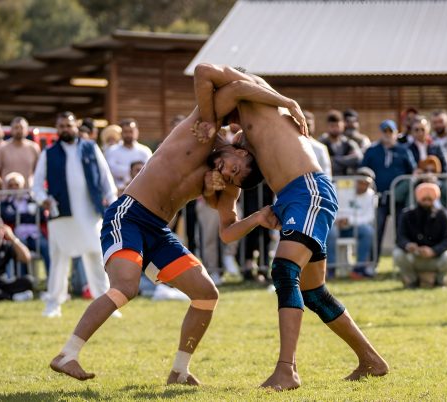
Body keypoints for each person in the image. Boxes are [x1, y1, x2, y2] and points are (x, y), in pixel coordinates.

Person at [48, 67, 306, 385]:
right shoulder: (204, 127)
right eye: (233, 168)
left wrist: (257, 219)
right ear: (238, 150)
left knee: (206, 294)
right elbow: (214, 76)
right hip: (127, 216)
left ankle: (179, 372)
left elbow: (227, 232)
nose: (227, 174)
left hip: (157, 230)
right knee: (126, 287)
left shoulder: (228, 186)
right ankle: (67, 354)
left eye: (233, 178)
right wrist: (287, 102)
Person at [199, 64, 388, 390]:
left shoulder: (256, 101)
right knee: (313, 292)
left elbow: (219, 76)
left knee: (284, 270)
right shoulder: (241, 139)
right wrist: (257, 217)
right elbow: (227, 232)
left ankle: (287, 370)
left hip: (308, 190)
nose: (223, 116)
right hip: (290, 199)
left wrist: (288, 102)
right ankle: (371, 360)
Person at [33, 111, 117, 318]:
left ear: (75, 126)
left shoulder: (90, 148)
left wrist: (112, 203)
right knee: (59, 258)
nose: (65, 130)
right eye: (61, 126)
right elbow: (36, 187)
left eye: (68, 126)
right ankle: (54, 304)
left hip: (90, 214)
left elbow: (106, 178)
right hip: (61, 213)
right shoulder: (48, 153)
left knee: (96, 256)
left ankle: (105, 304)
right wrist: (42, 199)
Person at [362, 119, 416, 270]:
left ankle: (401, 264)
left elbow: (413, 172)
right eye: (384, 131)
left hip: (399, 199)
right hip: (379, 198)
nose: (387, 135)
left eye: (390, 131)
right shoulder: (372, 150)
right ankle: (372, 264)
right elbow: (363, 170)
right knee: (377, 230)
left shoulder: (404, 150)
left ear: (395, 133)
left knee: (401, 229)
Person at [393, 183, 447, 288]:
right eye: (424, 199)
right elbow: (400, 238)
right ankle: (412, 281)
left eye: (430, 199)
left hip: (436, 258)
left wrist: (433, 251)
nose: (427, 202)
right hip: (414, 257)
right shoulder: (407, 215)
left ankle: (439, 282)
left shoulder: (442, 215)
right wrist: (408, 245)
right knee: (398, 254)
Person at [326, 167, 376, 278]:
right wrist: (337, 220)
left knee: (368, 231)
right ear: (354, 180)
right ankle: (330, 269)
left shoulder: (371, 195)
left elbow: (369, 217)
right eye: (360, 182)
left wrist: (350, 221)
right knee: (330, 233)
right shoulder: (340, 188)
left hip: (354, 227)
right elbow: (329, 207)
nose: (363, 186)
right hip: (335, 225)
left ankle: (359, 268)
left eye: (366, 183)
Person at [0, 172, 49, 274]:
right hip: (19, 236)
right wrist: (28, 216)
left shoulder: (32, 200)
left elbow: (41, 216)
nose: (14, 188)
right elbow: (8, 217)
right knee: (19, 250)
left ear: (22, 186)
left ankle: (52, 283)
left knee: (46, 247)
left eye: (16, 185)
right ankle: (23, 283)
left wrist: (19, 216)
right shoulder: (5, 204)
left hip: (36, 235)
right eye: (11, 186)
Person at [0, 116, 40, 189]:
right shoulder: (2, 148)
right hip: (7, 196)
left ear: (27, 130)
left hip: (28, 194)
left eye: (21, 127)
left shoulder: (34, 148)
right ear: (11, 130)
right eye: (16, 127)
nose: (19, 130)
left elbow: (39, 173)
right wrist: (2, 190)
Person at [105, 118, 153, 193]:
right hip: (117, 193)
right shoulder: (112, 151)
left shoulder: (145, 151)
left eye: (131, 131)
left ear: (137, 132)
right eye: (125, 132)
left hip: (141, 193)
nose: (128, 134)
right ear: (121, 133)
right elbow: (110, 171)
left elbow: (148, 172)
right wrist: (135, 172)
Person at [321, 109, 362, 176]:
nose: (335, 129)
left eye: (337, 126)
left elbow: (357, 158)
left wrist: (334, 160)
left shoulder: (349, 143)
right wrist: (345, 160)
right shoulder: (322, 143)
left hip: (347, 180)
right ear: (327, 126)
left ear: (343, 125)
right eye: (332, 126)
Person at [303, 111, 332, 176]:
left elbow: (327, 175)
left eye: (308, 124)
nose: (306, 127)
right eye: (303, 124)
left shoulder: (320, 148)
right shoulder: (290, 147)